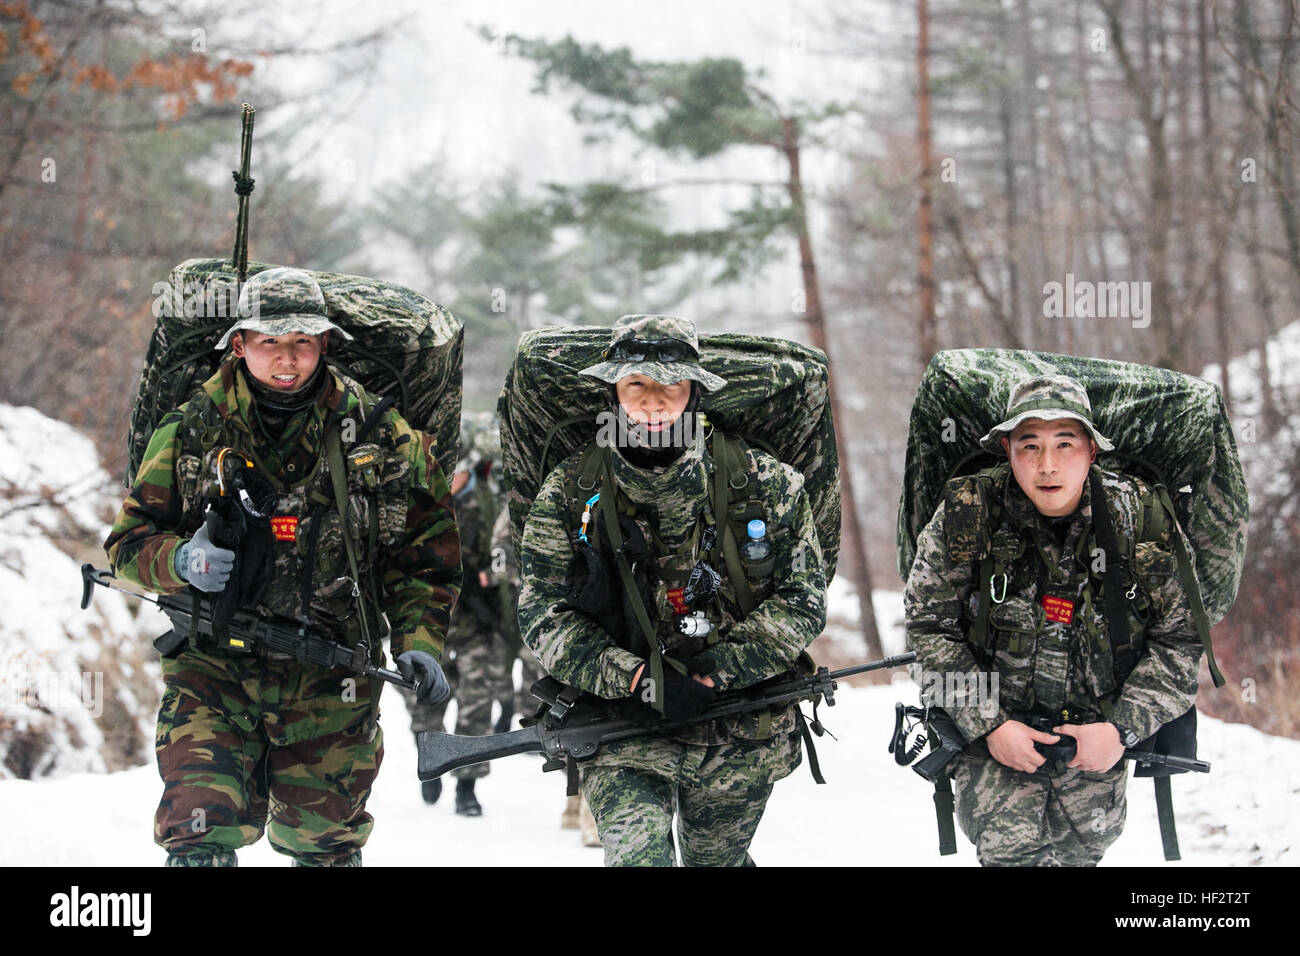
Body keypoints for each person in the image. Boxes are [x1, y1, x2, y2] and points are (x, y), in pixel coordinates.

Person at [105, 266, 460, 866]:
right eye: (270, 342)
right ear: (239, 344)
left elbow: (424, 557)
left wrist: (420, 639)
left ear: (325, 344)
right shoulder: (192, 427)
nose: (288, 359)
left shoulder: (380, 434)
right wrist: (181, 561)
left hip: (332, 673)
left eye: (303, 342)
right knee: (199, 832)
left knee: (323, 846)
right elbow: (128, 543)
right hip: (212, 668)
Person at [517, 314, 827, 866]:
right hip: (624, 722)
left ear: (695, 391)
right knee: (640, 858)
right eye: (636, 385)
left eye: (671, 385)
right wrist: (632, 677)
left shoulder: (766, 483)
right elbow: (543, 612)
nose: (654, 403)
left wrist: (715, 672)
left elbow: (803, 598)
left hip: (736, 724)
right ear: (612, 388)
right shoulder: (571, 489)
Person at [904, 375, 1203, 866]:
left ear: (1091, 450)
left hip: (1096, 741)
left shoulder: (1140, 518)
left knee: (1081, 858)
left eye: (1065, 443)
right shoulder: (969, 514)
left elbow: (1182, 639)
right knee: (1012, 855)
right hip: (995, 740)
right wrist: (990, 724)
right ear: (1006, 449)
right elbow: (928, 627)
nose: (1048, 465)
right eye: (1030, 445)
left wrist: (1122, 730)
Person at [401, 412, 513, 816]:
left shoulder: (485, 504)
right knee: (424, 703)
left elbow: (501, 555)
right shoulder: (416, 503)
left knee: (476, 703)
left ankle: (466, 785)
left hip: (476, 622)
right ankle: (430, 758)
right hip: (427, 621)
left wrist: (488, 577)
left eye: (460, 471)